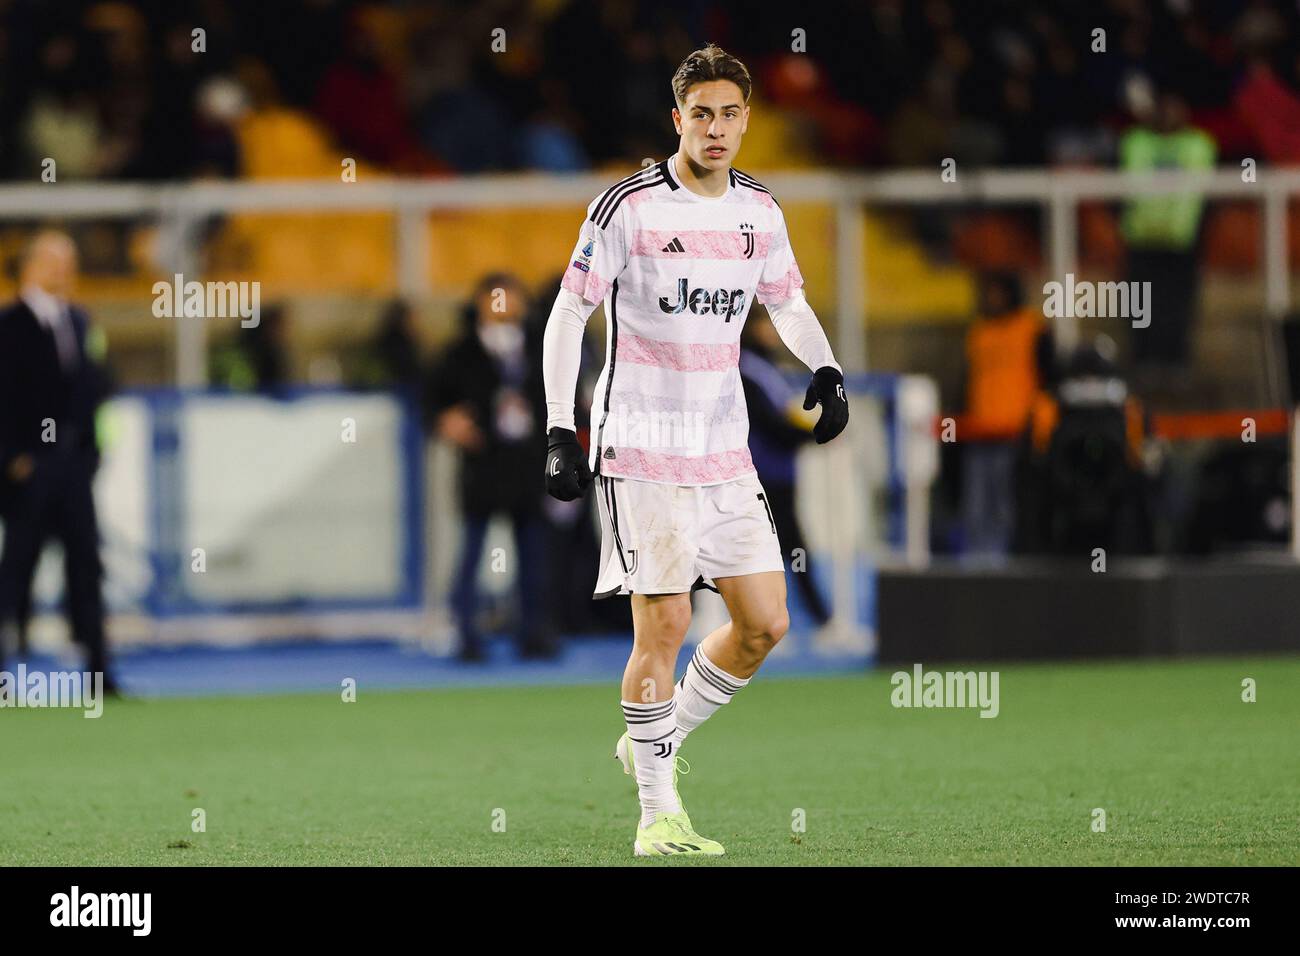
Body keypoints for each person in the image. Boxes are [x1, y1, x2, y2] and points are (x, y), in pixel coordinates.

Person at [541, 44, 849, 857]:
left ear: (748, 120)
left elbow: (789, 302)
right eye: (702, 114)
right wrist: (557, 425)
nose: (716, 128)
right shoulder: (628, 208)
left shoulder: (759, 211)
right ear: (677, 120)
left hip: (723, 450)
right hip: (640, 446)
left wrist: (827, 368)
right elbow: (568, 314)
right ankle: (656, 814)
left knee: (763, 624)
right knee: (667, 623)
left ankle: (653, 735)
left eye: (731, 113)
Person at [0, 231, 116, 689]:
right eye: (55, 260)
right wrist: (12, 459)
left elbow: (90, 390)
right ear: (30, 266)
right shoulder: (8, 326)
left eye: (69, 259)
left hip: (71, 467)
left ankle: (99, 671)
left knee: (86, 565)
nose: (65, 269)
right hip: (29, 469)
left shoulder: (80, 322)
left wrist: (88, 454)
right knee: (17, 568)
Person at [428, 273, 556, 661]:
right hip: (482, 466)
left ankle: (534, 633)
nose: (503, 305)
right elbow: (431, 399)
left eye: (510, 296)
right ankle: (466, 634)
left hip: (526, 465)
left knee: (534, 556)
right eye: (495, 297)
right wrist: (443, 420)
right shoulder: (461, 352)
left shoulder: (540, 347)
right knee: (471, 555)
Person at [739, 313, 832, 630]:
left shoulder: (766, 368)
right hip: (762, 473)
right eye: (766, 327)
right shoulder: (746, 369)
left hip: (780, 472)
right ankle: (814, 619)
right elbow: (769, 423)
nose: (773, 333)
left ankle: (774, 618)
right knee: (782, 547)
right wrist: (814, 434)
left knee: (784, 547)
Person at [959, 271, 1052, 560]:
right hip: (979, 433)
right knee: (976, 505)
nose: (992, 299)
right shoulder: (979, 333)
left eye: (998, 292)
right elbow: (968, 382)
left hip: (1015, 434)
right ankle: (978, 561)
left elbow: (1048, 378)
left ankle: (1005, 562)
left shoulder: (1031, 328)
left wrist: (1039, 427)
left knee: (1007, 505)